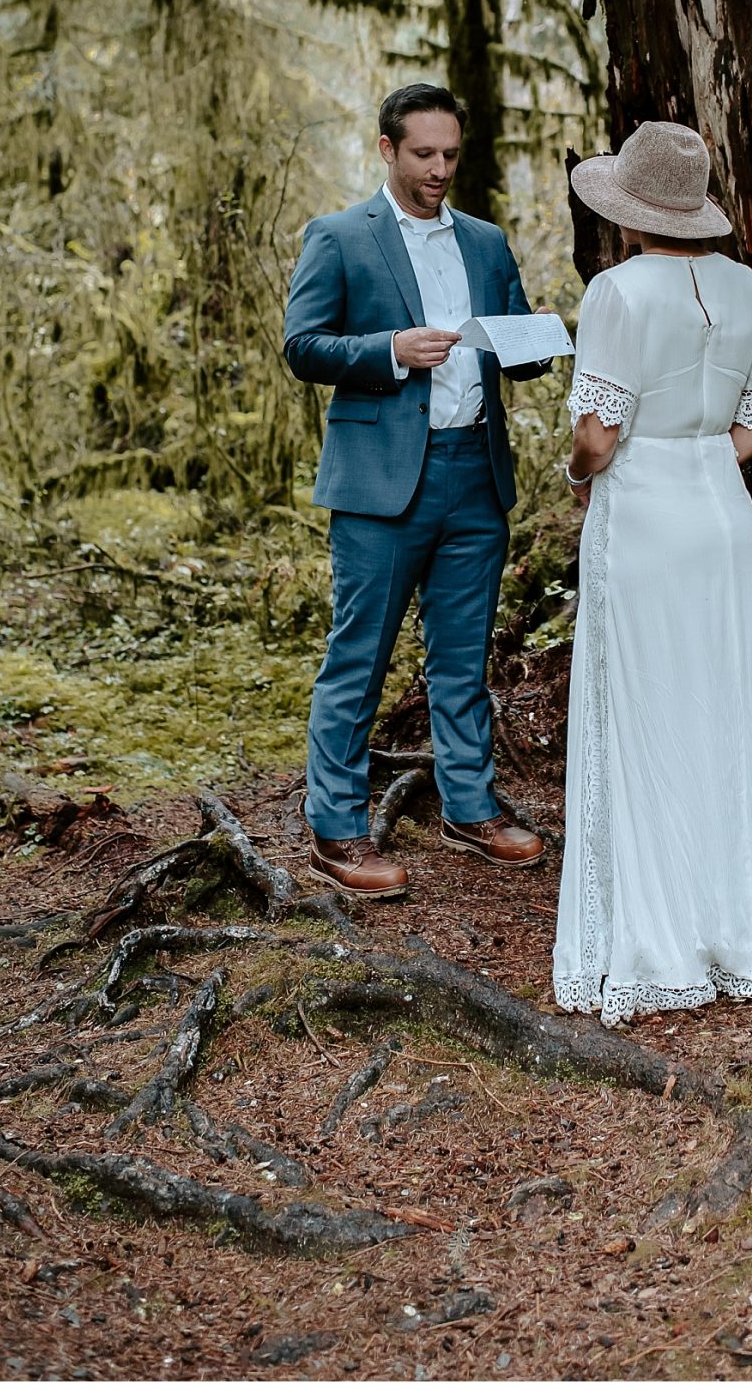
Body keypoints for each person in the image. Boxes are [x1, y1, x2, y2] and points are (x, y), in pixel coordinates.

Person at [553, 121, 752, 1026]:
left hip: (644, 519)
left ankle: (655, 942)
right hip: (721, 522)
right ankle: (735, 931)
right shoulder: (749, 291)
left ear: (627, 212)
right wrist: (699, 461)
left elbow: (596, 435)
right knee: (718, 711)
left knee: (641, 715)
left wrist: (582, 475)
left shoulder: (616, 293)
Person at [283, 82, 549, 899]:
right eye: (423, 154)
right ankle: (335, 829)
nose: (439, 170)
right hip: (381, 483)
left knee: (463, 659)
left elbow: (515, 337)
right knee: (357, 659)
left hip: (476, 473)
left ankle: (469, 807)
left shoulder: (486, 241)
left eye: (450, 155)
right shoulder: (338, 237)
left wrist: (535, 344)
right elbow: (303, 346)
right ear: (387, 149)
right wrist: (391, 348)